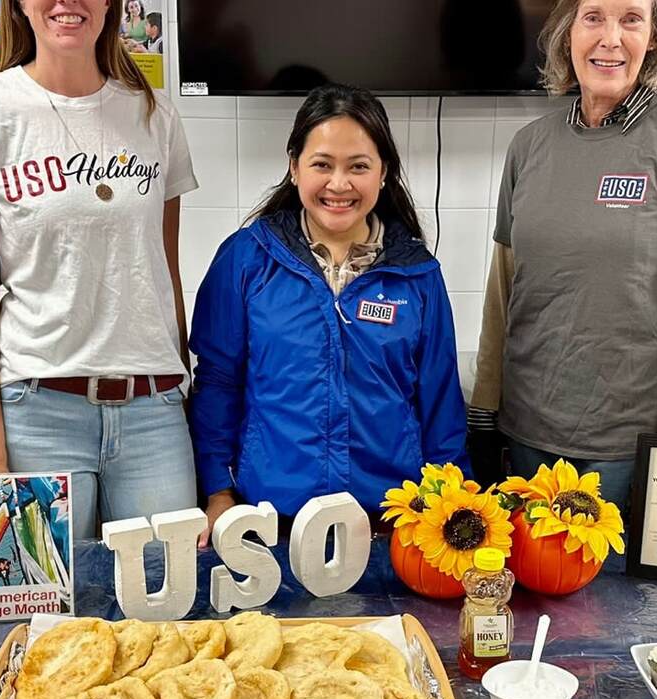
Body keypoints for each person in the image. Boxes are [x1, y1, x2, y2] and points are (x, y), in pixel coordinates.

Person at [0, 0, 198, 540]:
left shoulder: (154, 113)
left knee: (166, 607)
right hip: (39, 411)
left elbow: (165, 271)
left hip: (153, 411)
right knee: (53, 617)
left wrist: (183, 390)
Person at [469, 0, 657, 508]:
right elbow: (502, 293)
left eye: (631, 19)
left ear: (654, 37)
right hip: (526, 433)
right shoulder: (528, 147)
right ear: (568, 31)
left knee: (607, 590)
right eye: (593, 17)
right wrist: (485, 411)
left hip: (625, 448)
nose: (610, 38)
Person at [190, 84, 468, 540]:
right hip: (271, 518)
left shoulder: (417, 274)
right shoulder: (246, 259)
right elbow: (219, 382)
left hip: (388, 521)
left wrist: (450, 504)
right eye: (322, 165)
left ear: (383, 174)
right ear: (294, 167)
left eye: (358, 166)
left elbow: (439, 400)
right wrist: (219, 491)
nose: (339, 184)